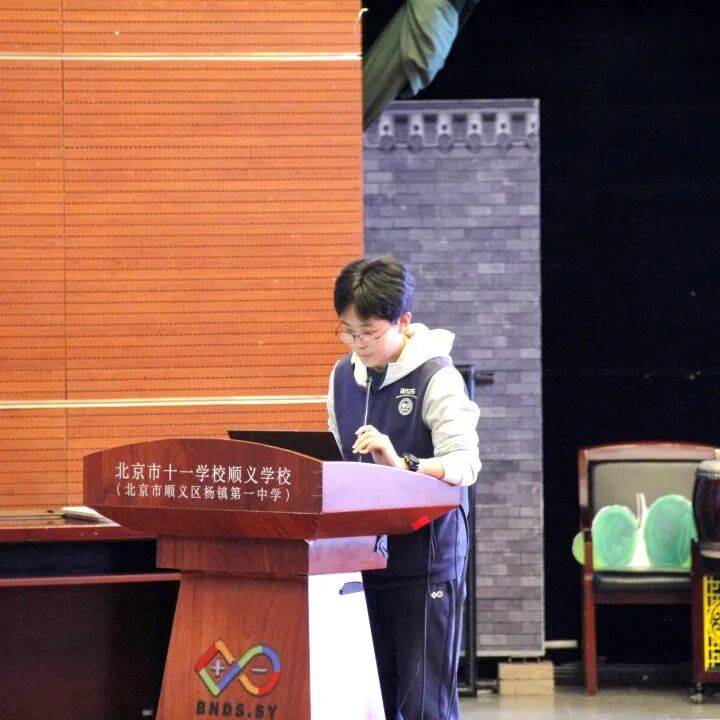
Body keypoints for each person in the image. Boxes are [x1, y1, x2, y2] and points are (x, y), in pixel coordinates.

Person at [326, 255, 481, 720]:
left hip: (426, 560)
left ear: (403, 321)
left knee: (423, 702)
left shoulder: (437, 377)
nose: (358, 344)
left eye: (369, 333)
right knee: (375, 698)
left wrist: (403, 464)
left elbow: (466, 464)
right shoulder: (341, 377)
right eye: (348, 331)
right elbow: (339, 456)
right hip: (365, 558)